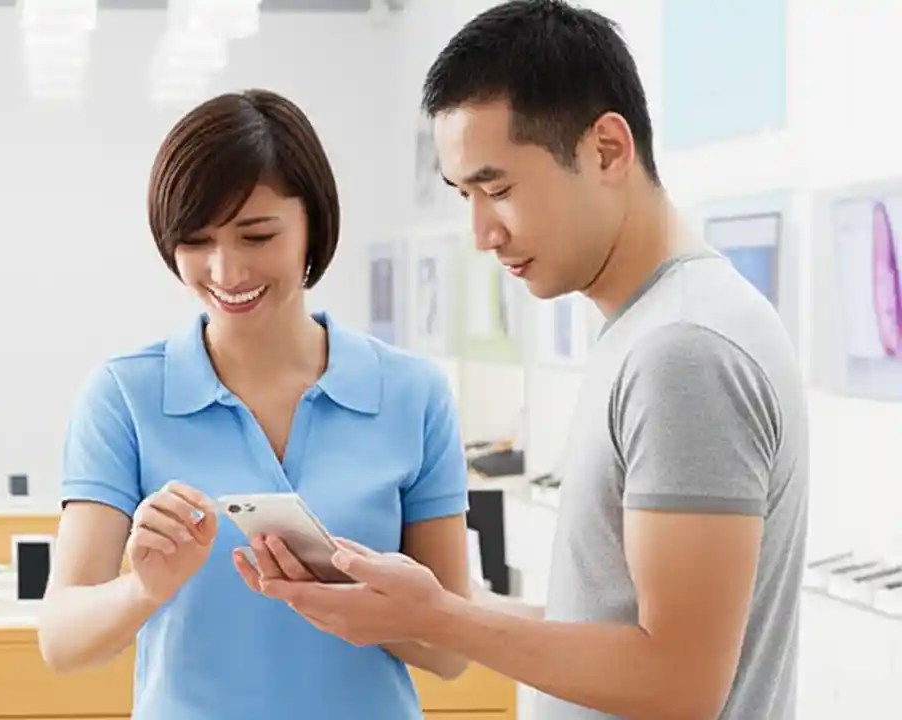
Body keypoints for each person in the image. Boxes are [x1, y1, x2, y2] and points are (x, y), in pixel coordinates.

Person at [256, 2, 809, 720]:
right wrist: (435, 607)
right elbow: (617, 625)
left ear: (607, 150)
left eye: (499, 189)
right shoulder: (656, 327)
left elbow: (677, 680)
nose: (482, 233)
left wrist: (441, 618)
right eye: (465, 196)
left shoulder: (684, 351)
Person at [35, 88, 473, 720]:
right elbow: (62, 640)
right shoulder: (124, 396)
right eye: (195, 241)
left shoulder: (413, 394)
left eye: (257, 235)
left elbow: (452, 651)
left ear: (312, 227)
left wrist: (348, 600)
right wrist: (143, 589)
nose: (225, 270)